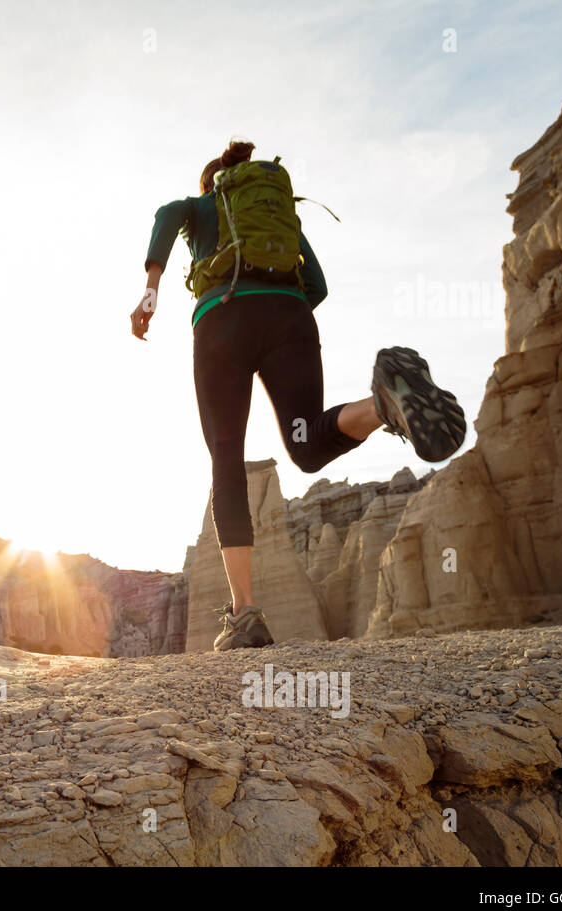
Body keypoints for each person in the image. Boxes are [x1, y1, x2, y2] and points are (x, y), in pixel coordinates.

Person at [131, 140, 466, 651]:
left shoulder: (199, 206)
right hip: (291, 316)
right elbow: (318, 285)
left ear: (212, 184)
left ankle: (244, 614)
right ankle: (382, 404)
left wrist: (151, 290)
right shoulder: (280, 220)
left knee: (226, 455)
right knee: (307, 446)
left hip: (222, 320)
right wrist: (283, 315)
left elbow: (164, 215)